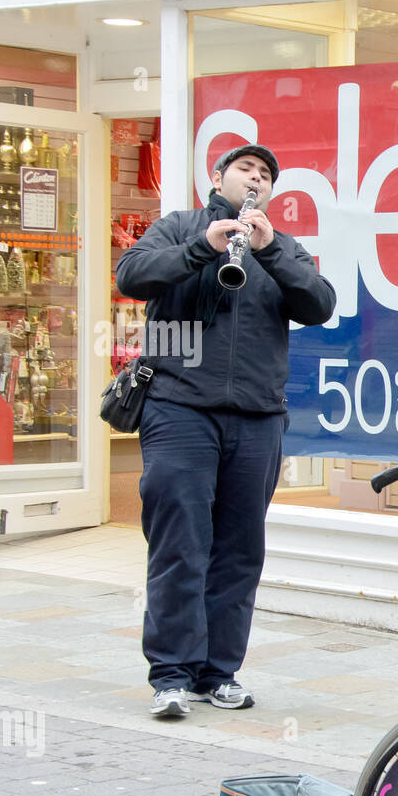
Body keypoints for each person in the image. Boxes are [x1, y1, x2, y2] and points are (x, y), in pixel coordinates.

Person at [115, 144, 336, 718]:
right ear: (218, 179)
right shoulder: (180, 226)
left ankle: (219, 673)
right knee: (180, 545)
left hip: (257, 416)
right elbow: (131, 275)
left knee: (239, 552)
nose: (255, 178)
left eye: (265, 174)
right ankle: (172, 674)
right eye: (245, 169)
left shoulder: (281, 245)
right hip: (178, 409)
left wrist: (269, 251)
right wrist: (202, 247)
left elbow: (320, 304)